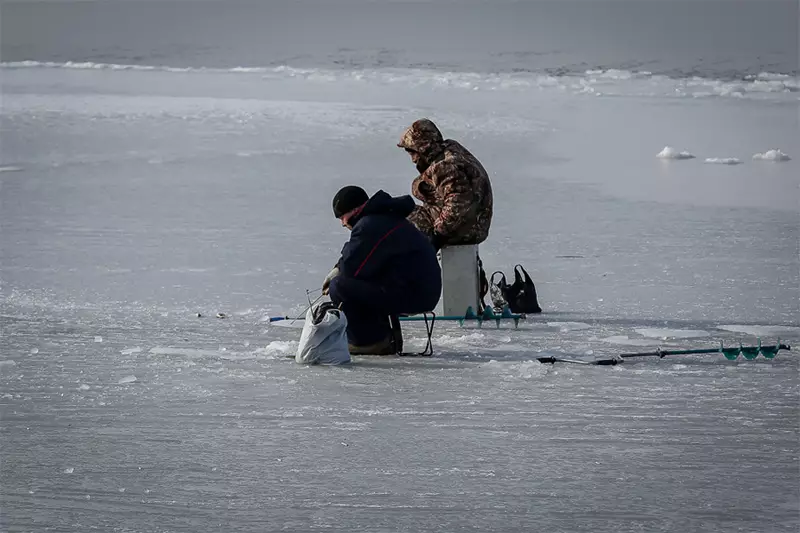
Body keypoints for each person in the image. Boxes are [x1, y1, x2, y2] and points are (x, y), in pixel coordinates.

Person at [322, 186, 442, 355]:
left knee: (340, 287)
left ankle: (370, 342)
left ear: (355, 210)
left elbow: (351, 269)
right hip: (420, 290)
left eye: (343, 216)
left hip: (414, 294)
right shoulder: (384, 219)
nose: (343, 223)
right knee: (361, 282)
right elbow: (363, 259)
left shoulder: (369, 225)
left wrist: (339, 270)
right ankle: (384, 335)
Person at [396, 118, 493, 251]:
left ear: (423, 148)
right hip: (470, 224)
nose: (413, 159)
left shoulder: (445, 166)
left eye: (413, 152)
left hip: (464, 231)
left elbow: (457, 203)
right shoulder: (449, 150)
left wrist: (437, 236)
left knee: (399, 217)